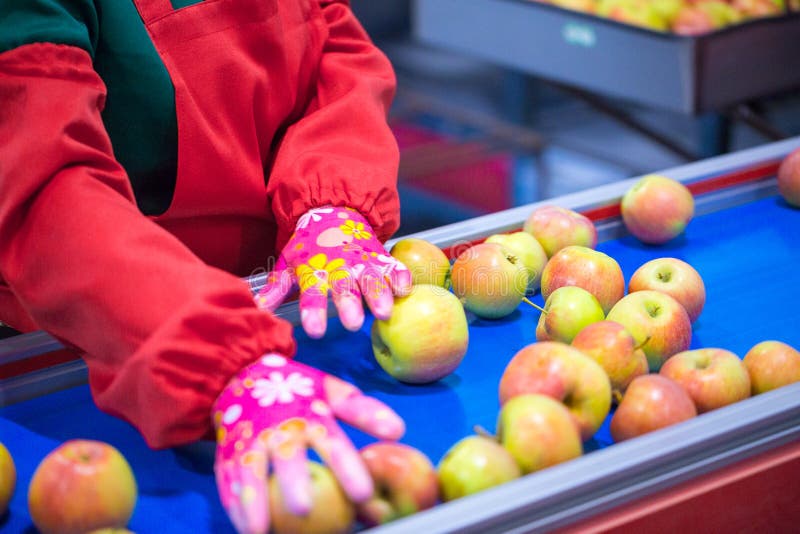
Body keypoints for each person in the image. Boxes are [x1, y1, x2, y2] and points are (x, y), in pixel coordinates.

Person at [0, 1, 412, 532]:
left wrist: (328, 195)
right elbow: (42, 188)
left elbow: (329, 40)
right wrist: (213, 349)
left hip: (270, 321)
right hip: (77, 352)